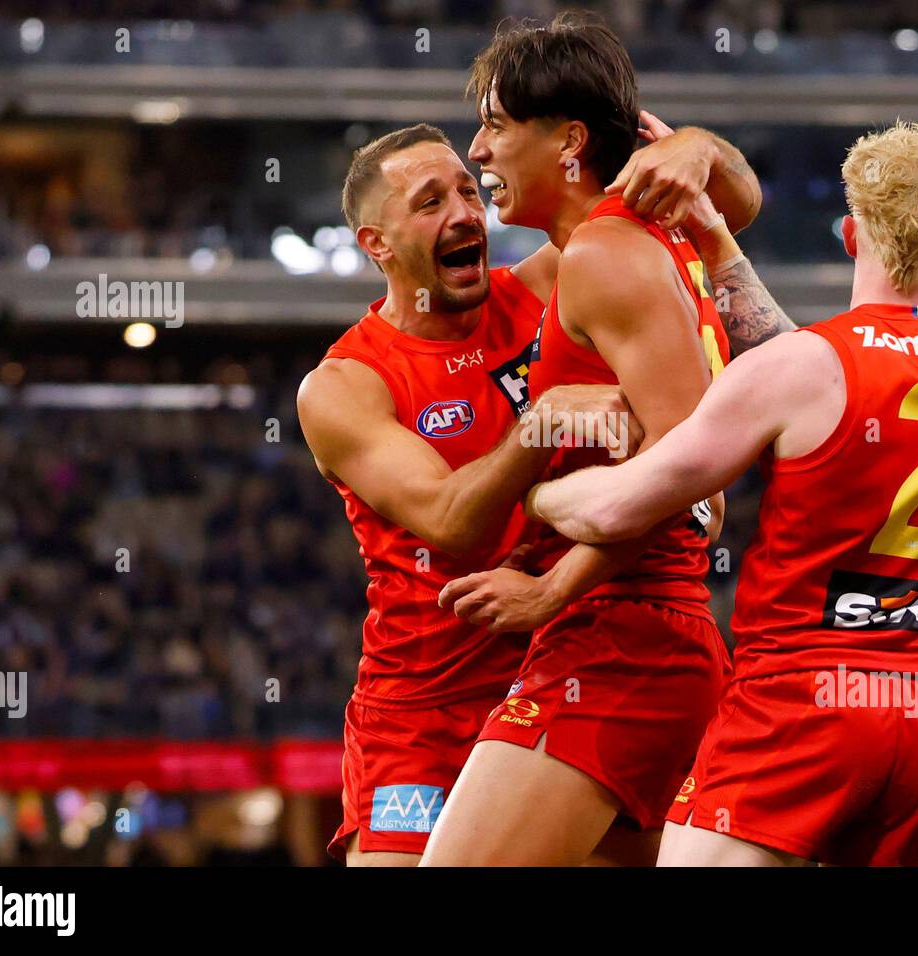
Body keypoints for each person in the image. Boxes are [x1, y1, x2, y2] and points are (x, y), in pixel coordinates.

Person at [527, 121, 918, 867]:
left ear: (850, 236)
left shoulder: (806, 368)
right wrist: (719, 241)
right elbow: (840, 375)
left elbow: (617, 507)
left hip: (799, 703)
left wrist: (538, 495)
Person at [297, 116, 760, 866]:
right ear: (376, 245)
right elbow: (453, 522)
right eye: (428, 203)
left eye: (463, 190)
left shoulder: (546, 283)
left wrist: (703, 148)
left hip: (572, 664)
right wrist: (538, 427)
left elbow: (719, 209)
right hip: (427, 706)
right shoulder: (343, 387)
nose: (464, 212)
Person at [420, 12, 761, 866]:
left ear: (569, 139)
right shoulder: (645, 236)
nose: (480, 150)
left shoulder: (604, 255)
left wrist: (550, 589)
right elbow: (743, 197)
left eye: (496, 124)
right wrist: (697, 147)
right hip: (648, 634)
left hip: (621, 639)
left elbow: (691, 478)